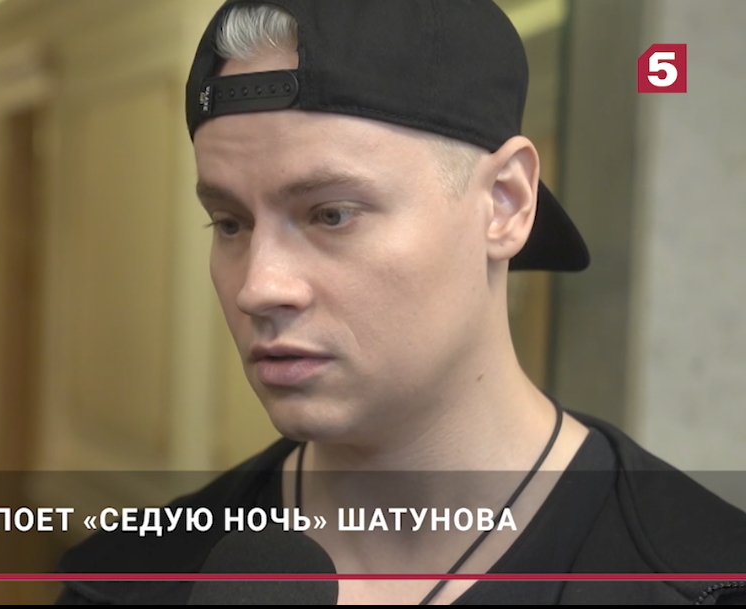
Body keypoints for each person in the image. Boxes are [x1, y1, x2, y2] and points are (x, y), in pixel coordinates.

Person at [55, 0, 746, 605]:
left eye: (331, 214)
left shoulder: (702, 580)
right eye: (230, 223)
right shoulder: (128, 578)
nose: (257, 287)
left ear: (505, 202)